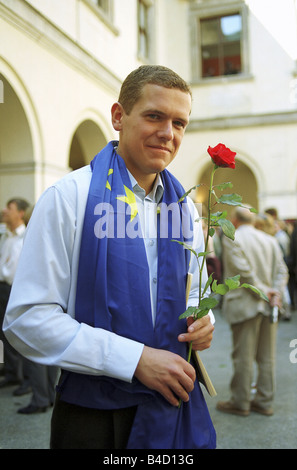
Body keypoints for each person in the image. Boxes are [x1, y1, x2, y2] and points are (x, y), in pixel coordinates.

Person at [3, 65, 216, 449]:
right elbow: (26, 319)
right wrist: (133, 359)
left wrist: (204, 318)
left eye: (179, 123)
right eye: (154, 116)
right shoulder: (70, 197)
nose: (168, 133)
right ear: (118, 116)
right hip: (94, 416)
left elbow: (194, 291)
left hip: (172, 404)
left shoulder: (184, 208)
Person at [217, 206, 288, 417]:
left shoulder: (232, 237)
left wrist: (266, 292)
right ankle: (264, 401)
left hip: (245, 303)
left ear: (235, 219)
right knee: (267, 356)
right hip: (268, 305)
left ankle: (240, 402)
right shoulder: (270, 239)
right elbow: (282, 271)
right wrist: (274, 294)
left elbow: (243, 272)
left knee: (243, 356)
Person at [0, 198, 30, 388]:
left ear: (20, 213)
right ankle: (11, 373)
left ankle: (26, 379)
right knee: (3, 333)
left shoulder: (26, 236)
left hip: (14, 289)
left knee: (18, 332)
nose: (4, 211)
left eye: (9, 208)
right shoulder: (4, 235)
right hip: (2, 288)